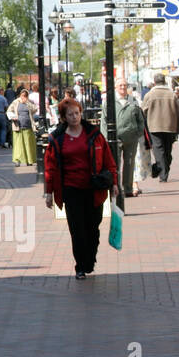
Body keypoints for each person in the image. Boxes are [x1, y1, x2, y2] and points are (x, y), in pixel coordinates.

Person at [43, 99, 119, 279]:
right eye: (70, 114)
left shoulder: (94, 134)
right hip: (70, 189)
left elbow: (109, 160)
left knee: (93, 227)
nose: (75, 117)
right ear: (63, 117)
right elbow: (50, 167)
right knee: (77, 230)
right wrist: (49, 192)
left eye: (77, 113)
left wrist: (114, 182)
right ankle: (80, 266)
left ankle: (90, 259)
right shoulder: (57, 139)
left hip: (94, 189)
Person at [141, 73, 179, 183]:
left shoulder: (149, 95)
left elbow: (142, 112)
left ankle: (163, 174)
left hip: (154, 127)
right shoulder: (172, 95)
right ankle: (165, 170)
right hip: (170, 127)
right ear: (164, 81)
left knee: (159, 151)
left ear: (154, 82)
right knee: (168, 151)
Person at [114, 79, 148, 198]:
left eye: (125, 85)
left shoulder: (133, 101)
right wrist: (105, 138)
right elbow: (104, 120)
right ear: (115, 87)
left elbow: (140, 118)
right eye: (120, 85)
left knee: (129, 163)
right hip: (115, 139)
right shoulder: (110, 102)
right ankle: (116, 188)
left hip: (131, 138)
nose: (123, 87)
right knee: (115, 164)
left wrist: (138, 132)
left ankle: (128, 188)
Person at [8, 88, 39, 167]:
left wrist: (28, 102)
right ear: (20, 95)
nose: (23, 97)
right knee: (18, 145)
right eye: (22, 95)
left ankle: (29, 160)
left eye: (25, 95)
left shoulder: (29, 102)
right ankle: (17, 160)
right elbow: (9, 111)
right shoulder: (15, 102)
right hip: (18, 126)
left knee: (28, 144)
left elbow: (35, 109)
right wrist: (13, 117)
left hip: (28, 126)